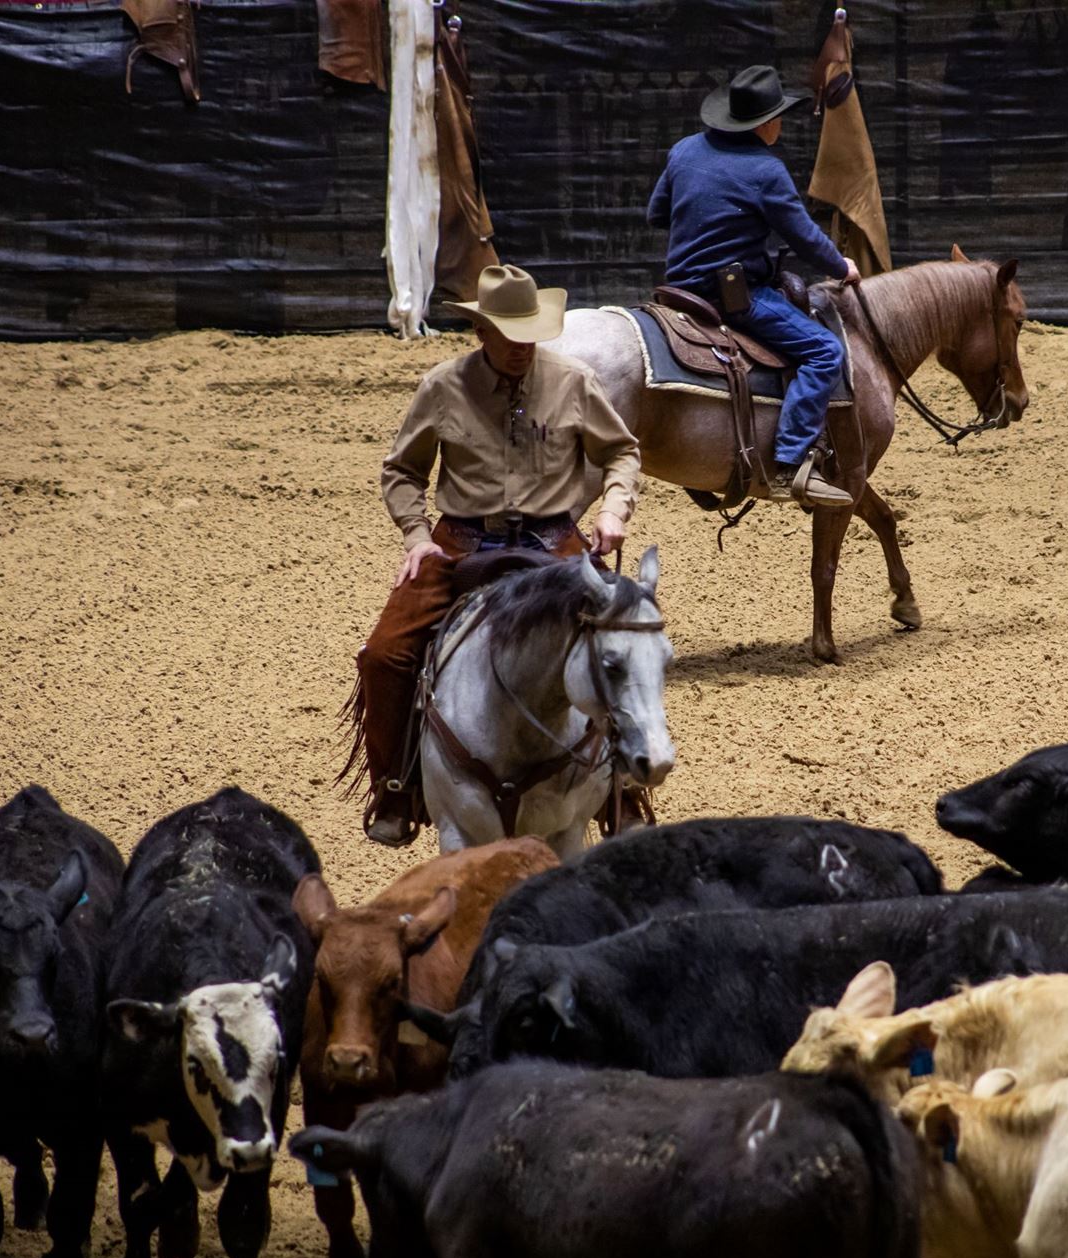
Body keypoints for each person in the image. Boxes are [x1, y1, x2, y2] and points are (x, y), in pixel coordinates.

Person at [346, 263, 641, 848]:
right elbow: (401, 471)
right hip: (461, 543)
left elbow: (622, 453)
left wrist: (612, 509)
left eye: (529, 334)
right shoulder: (442, 386)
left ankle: (622, 790)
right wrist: (416, 535)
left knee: (622, 643)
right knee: (384, 655)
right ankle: (397, 787)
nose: (520, 348)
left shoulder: (575, 380)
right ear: (480, 332)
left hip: (553, 542)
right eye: (507, 335)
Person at [648, 64, 864, 508]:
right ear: (765, 123)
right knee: (825, 352)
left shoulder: (684, 150)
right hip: (731, 297)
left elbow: (656, 214)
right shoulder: (766, 171)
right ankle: (790, 463)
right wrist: (841, 266)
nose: (781, 123)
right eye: (779, 115)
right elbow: (803, 236)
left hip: (678, 290)